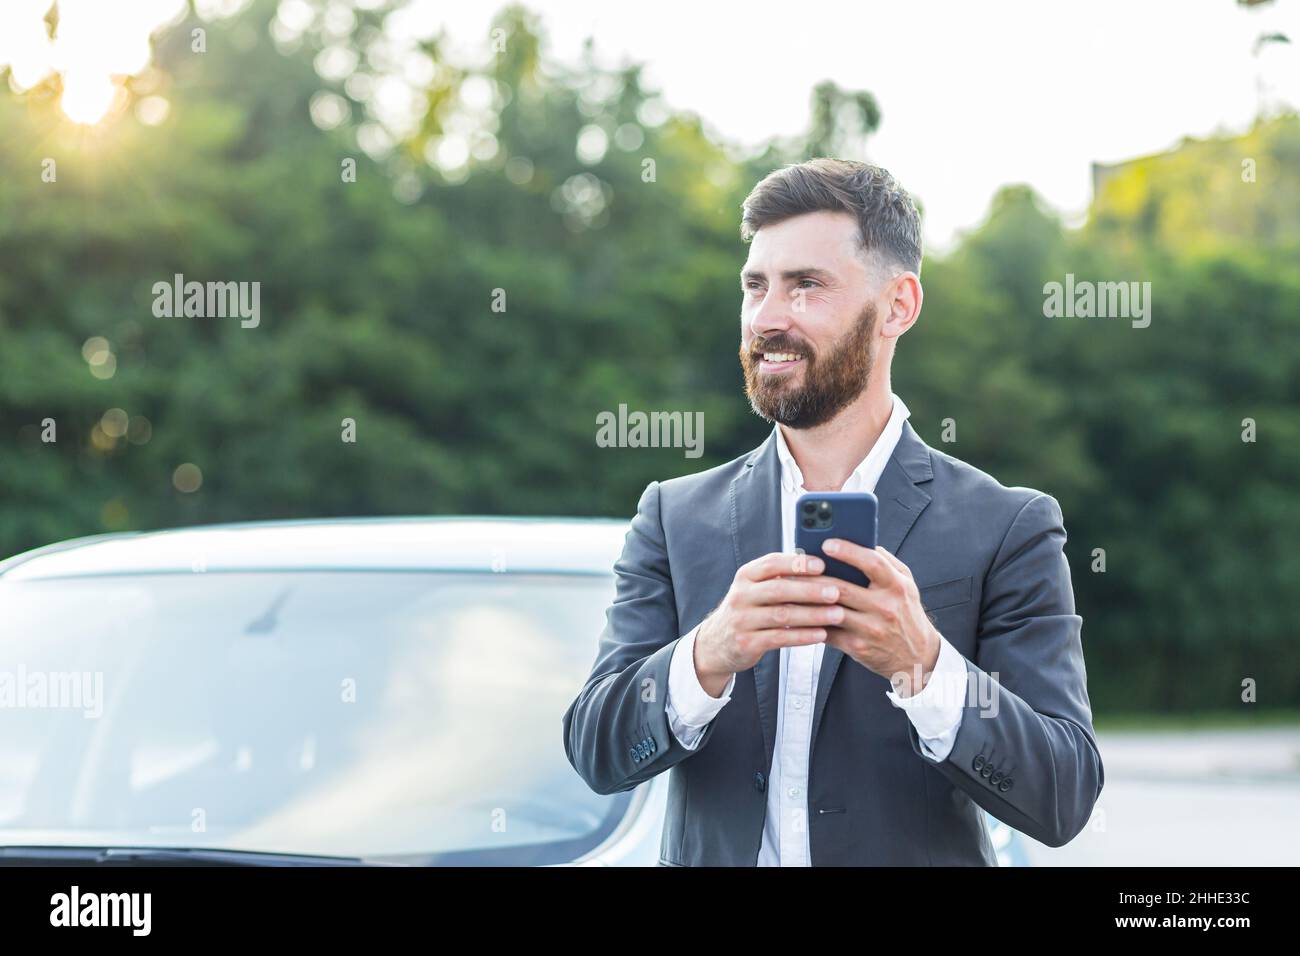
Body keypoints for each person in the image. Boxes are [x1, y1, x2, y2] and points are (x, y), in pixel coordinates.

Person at [563, 158, 1103, 865]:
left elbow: (1062, 794)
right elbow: (595, 753)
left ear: (898, 306)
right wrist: (706, 655)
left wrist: (924, 666)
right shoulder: (673, 516)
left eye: (806, 286)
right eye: (755, 286)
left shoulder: (1008, 527)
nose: (767, 318)